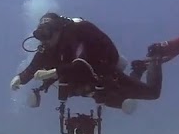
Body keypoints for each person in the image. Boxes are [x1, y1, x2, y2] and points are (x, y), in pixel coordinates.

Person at [10, 12, 167, 109]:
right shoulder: (49, 46)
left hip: (103, 69)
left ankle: (155, 55)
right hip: (91, 81)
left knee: (152, 93)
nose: (45, 41)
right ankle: (138, 69)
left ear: (58, 30)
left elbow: (82, 63)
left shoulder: (74, 35)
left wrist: (51, 72)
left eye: (48, 34)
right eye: (41, 36)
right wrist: (20, 78)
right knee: (109, 100)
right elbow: (34, 65)